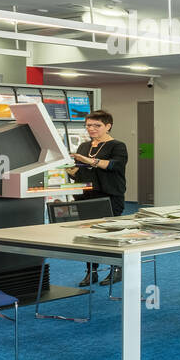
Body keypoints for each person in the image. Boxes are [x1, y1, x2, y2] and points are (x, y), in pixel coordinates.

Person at [67, 109, 129, 287]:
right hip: (86, 196)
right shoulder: (84, 146)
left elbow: (113, 166)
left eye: (97, 125)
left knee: (110, 235)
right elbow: (78, 172)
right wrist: (69, 170)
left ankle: (116, 270)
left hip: (110, 196)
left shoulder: (118, 145)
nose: (92, 129)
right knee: (88, 236)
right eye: (88, 125)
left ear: (108, 126)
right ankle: (91, 272)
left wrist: (88, 161)